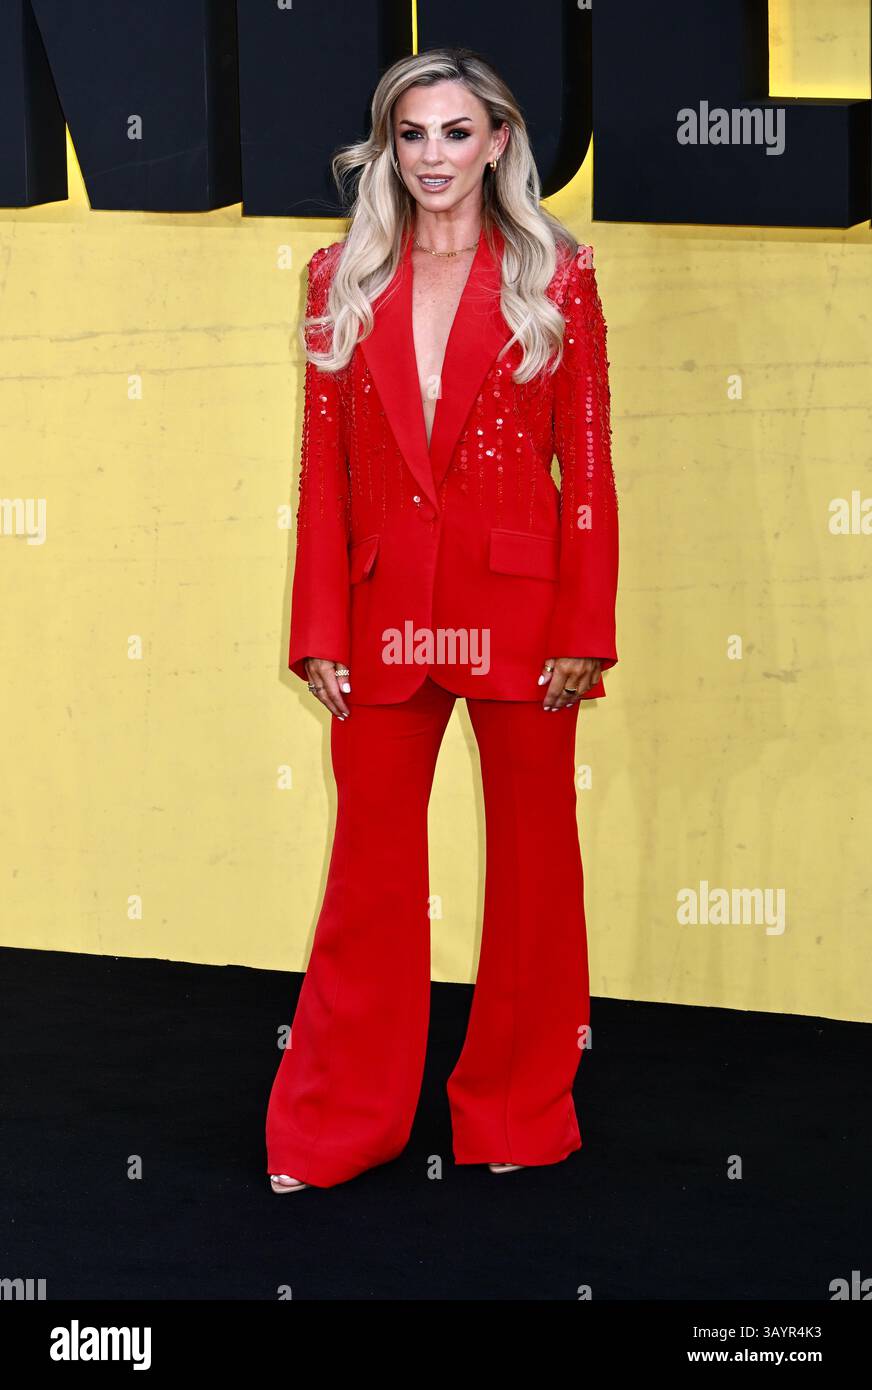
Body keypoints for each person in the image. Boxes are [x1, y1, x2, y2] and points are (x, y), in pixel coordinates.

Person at [266, 46, 619, 1192]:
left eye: (455, 132)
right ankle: (332, 1127)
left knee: (533, 876)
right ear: (387, 146)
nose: (431, 156)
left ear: (497, 141)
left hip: (524, 615)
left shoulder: (556, 275)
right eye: (410, 134)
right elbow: (323, 473)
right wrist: (318, 628)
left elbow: (588, 468)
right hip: (379, 617)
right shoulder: (340, 274)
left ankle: (516, 1111)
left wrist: (584, 626)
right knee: (366, 879)